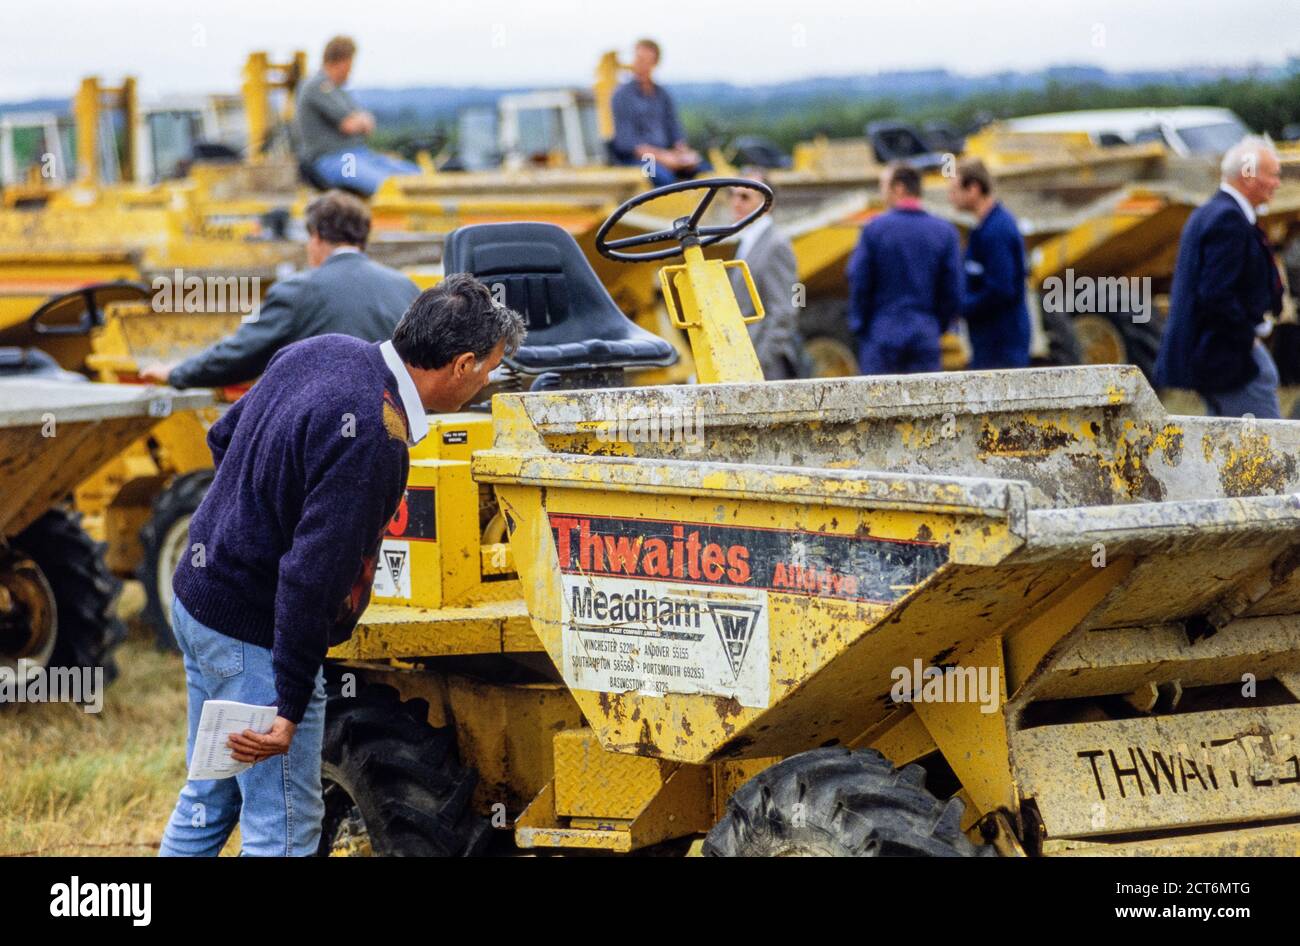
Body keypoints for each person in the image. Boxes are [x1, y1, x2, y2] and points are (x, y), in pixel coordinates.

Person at [157, 276, 525, 856]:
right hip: (251, 634)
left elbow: (223, 435)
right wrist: (288, 704)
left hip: (198, 600)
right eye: (490, 369)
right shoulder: (376, 436)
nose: (488, 382)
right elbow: (312, 578)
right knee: (284, 827)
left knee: (211, 795)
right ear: (461, 365)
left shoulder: (322, 349)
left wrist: (250, 524)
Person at [141, 191, 418, 389]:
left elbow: (241, 354)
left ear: (316, 236)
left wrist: (177, 373)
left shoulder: (297, 291)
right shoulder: (405, 288)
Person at [1155, 135, 1285, 418]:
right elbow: (1216, 294)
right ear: (1248, 176)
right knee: (1266, 441)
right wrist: (1248, 335)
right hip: (1227, 360)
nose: (1277, 183)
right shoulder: (1228, 219)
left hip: (1214, 359)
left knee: (1222, 442)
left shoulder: (1209, 212)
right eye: (1272, 175)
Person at [847, 162, 963, 374]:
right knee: (925, 394)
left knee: (879, 394)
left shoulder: (874, 229)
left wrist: (861, 325)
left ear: (899, 188)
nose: (882, 193)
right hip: (925, 333)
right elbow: (953, 289)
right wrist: (936, 325)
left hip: (882, 333)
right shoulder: (945, 232)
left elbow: (859, 279)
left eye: (883, 186)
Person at [294, 35, 419, 196]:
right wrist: (361, 121)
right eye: (350, 64)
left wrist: (361, 121)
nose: (350, 71)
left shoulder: (338, 90)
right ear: (342, 61)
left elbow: (364, 122)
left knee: (417, 177)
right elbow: (350, 125)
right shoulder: (318, 86)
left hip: (358, 154)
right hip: (333, 159)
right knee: (387, 187)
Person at [947, 158, 1031, 369]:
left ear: (974, 189)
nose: (951, 197)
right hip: (989, 341)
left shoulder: (997, 231)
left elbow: (1001, 289)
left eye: (955, 190)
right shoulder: (982, 230)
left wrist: (962, 307)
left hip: (1001, 345)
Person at [726, 169, 804, 379]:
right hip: (747, 360)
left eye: (745, 197)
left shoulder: (776, 245)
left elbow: (785, 311)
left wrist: (760, 361)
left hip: (766, 366)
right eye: (732, 195)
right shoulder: (747, 241)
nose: (736, 203)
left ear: (768, 204)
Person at [609, 39, 710, 187]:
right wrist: (664, 158)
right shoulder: (621, 95)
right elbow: (627, 143)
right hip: (637, 159)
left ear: (655, 63)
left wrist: (683, 153)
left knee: (706, 172)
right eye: (638, 59)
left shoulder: (663, 95)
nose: (640, 65)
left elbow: (675, 131)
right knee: (663, 179)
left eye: (645, 61)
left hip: (666, 154)